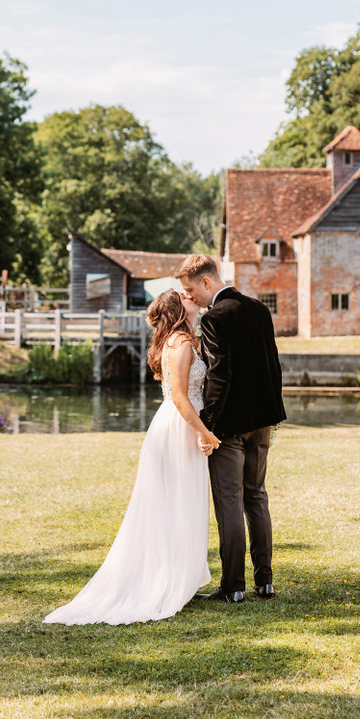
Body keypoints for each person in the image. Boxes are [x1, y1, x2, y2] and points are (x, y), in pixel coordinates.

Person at [43, 290, 221, 625]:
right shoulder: (181, 344)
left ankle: (177, 572)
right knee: (178, 501)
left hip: (176, 424)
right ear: (178, 308)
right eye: (183, 297)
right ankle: (168, 580)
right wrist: (203, 432)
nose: (190, 296)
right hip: (181, 426)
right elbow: (181, 397)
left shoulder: (180, 340)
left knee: (180, 501)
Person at [175, 254, 287, 603]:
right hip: (263, 421)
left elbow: (219, 377)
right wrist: (273, 413)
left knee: (229, 501)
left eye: (191, 290)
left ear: (206, 282)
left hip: (230, 426)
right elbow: (273, 365)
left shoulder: (215, 319)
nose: (190, 297)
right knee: (256, 496)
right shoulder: (260, 310)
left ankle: (233, 586)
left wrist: (208, 426)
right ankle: (264, 582)